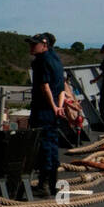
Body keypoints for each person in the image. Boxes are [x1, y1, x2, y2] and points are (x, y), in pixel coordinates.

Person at [28, 33, 65, 198]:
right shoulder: (57, 60)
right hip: (54, 112)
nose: (31, 47)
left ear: (44, 45)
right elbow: (62, 88)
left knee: (44, 148)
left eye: (34, 44)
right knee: (52, 147)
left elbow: (45, 87)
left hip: (43, 111)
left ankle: (44, 186)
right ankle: (53, 185)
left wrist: (52, 106)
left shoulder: (42, 61)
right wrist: (59, 107)